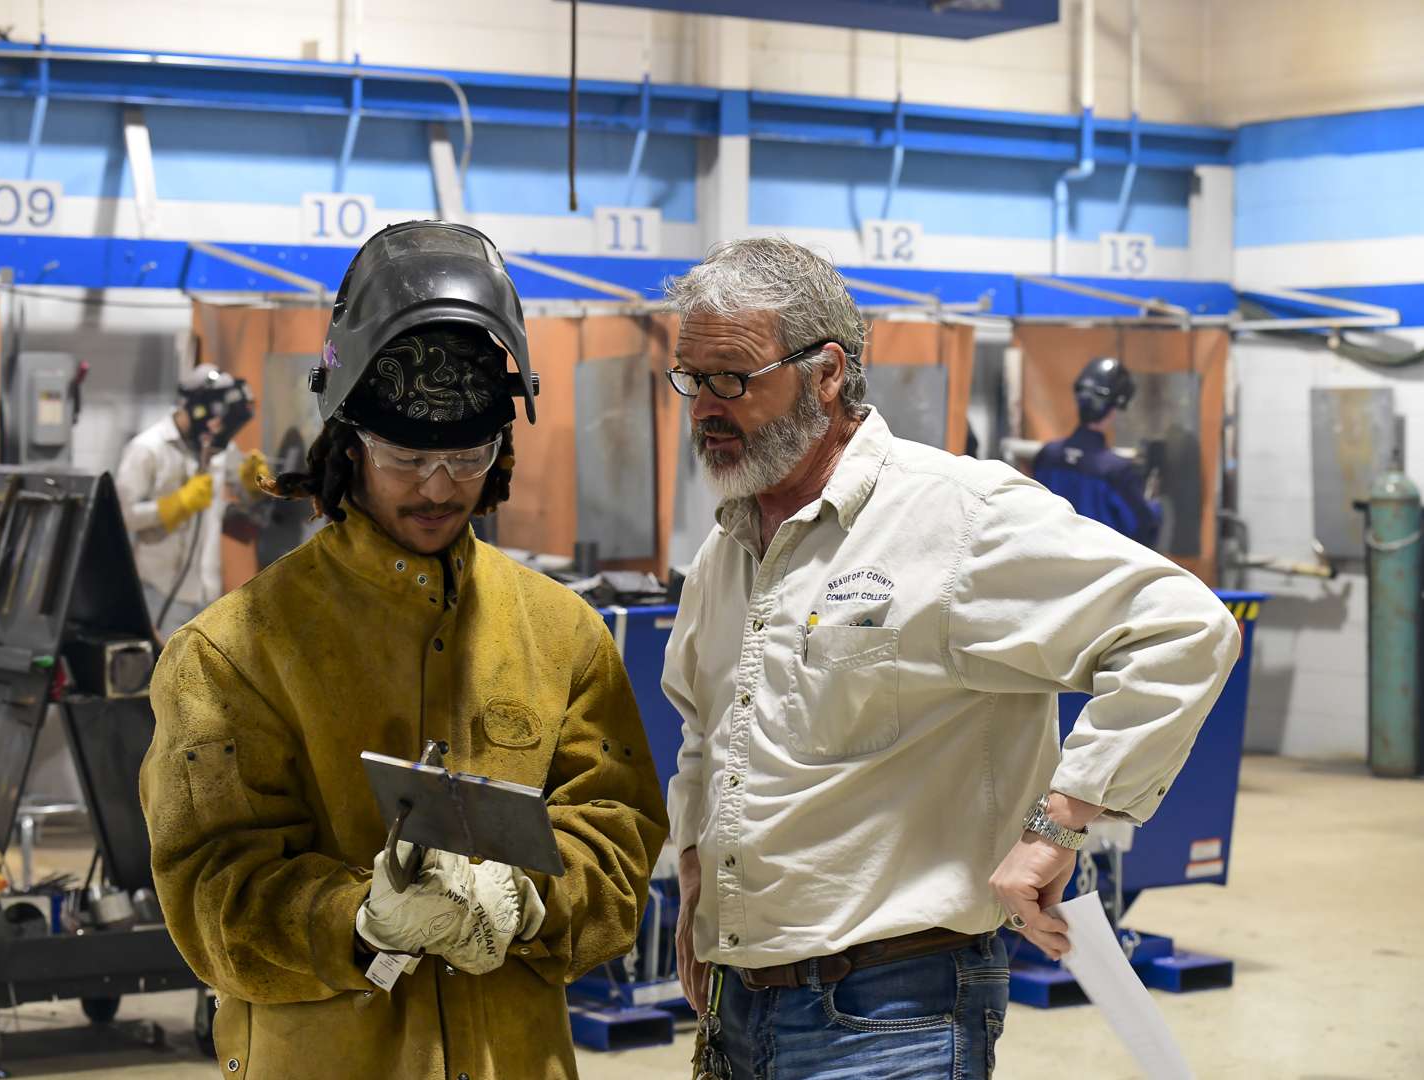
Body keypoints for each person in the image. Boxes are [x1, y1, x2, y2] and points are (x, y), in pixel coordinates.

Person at [659, 238, 1240, 1079]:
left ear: (826, 373)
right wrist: (695, 876)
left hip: (893, 1016)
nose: (705, 407)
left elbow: (1185, 627)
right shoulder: (728, 551)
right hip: (739, 1007)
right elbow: (705, 733)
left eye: (733, 379)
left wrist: (1059, 826)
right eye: (690, 378)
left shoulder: (953, 518)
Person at [138, 220, 668, 1080]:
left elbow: (619, 838)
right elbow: (211, 892)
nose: (438, 486)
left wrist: (535, 898)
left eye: (467, 455)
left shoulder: (561, 632)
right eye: (406, 455)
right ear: (348, 440)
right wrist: (359, 918)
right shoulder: (230, 654)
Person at [115, 363, 269, 634]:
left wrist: (254, 483)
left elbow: (247, 497)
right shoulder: (147, 449)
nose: (215, 425)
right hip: (158, 590)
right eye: (212, 416)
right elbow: (122, 516)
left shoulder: (217, 446)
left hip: (206, 591)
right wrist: (175, 505)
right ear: (195, 408)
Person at [1032, 356, 1164, 547]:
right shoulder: (1117, 471)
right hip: (1103, 573)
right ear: (1113, 410)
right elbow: (1143, 529)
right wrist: (1155, 507)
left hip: (1049, 564)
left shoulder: (1047, 456)